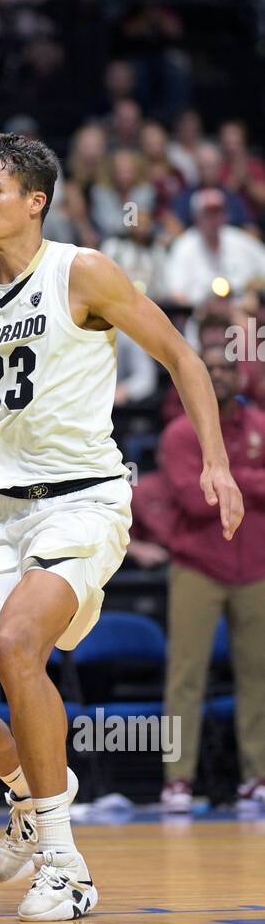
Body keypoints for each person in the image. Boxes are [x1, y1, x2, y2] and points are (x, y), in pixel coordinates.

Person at [0, 131, 243, 921]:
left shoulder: (81, 271)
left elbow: (182, 358)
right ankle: (30, 794)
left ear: (36, 200)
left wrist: (216, 461)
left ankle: (66, 863)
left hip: (81, 501)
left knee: (24, 642)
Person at [158, 345, 265, 812]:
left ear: (241, 374)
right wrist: (251, 479)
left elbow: (212, 489)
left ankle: (255, 776)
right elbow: (189, 497)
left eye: (226, 368)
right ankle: (177, 780)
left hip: (258, 566)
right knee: (185, 676)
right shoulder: (182, 433)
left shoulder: (260, 425)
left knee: (259, 675)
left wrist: (226, 478)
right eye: (210, 369)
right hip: (197, 566)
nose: (219, 375)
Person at [164, 188, 265, 308]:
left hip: (241, 311)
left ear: (225, 215)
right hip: (201, 316)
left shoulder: (241, 241)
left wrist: (255, 288)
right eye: (207, 214)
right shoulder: (183, 247)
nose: (213, 219)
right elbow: (176, 293)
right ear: (197, 217)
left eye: (217, 213)